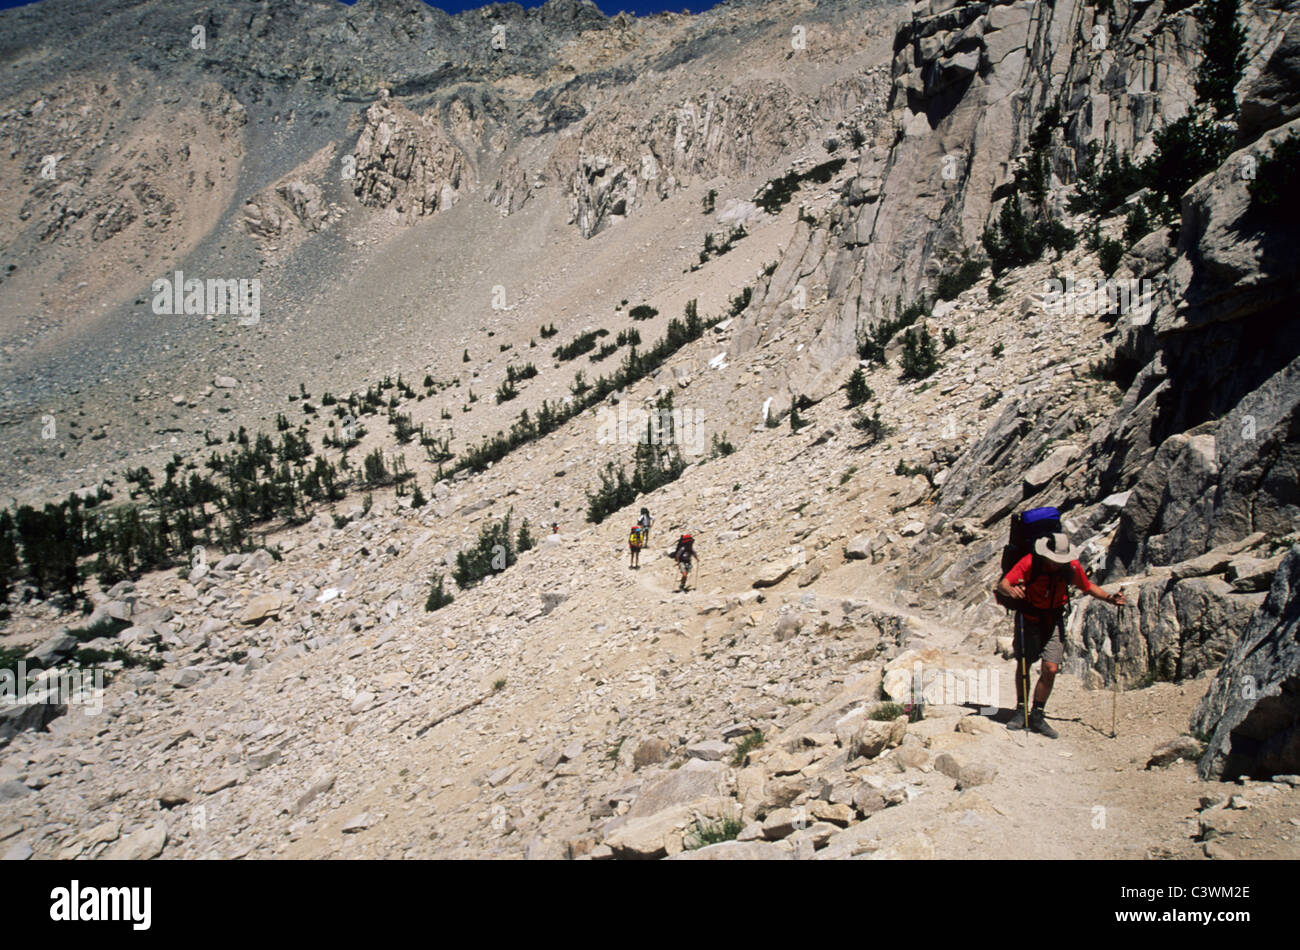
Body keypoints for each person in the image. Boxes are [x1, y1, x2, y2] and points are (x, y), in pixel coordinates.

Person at [994, 531, 1126, 738]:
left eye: (1060, 560)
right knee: (1024, 665)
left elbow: (1087, 586)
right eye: (1054, 559)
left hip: (1054, 619)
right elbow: (1003, 584)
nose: (1057, 563)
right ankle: (1021, 710)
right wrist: (1011, 591)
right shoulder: (1030, 562)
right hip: (1029, 618)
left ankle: (1037, 713)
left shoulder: (1070, 567)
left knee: (1051, 668)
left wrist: (1109, 598)